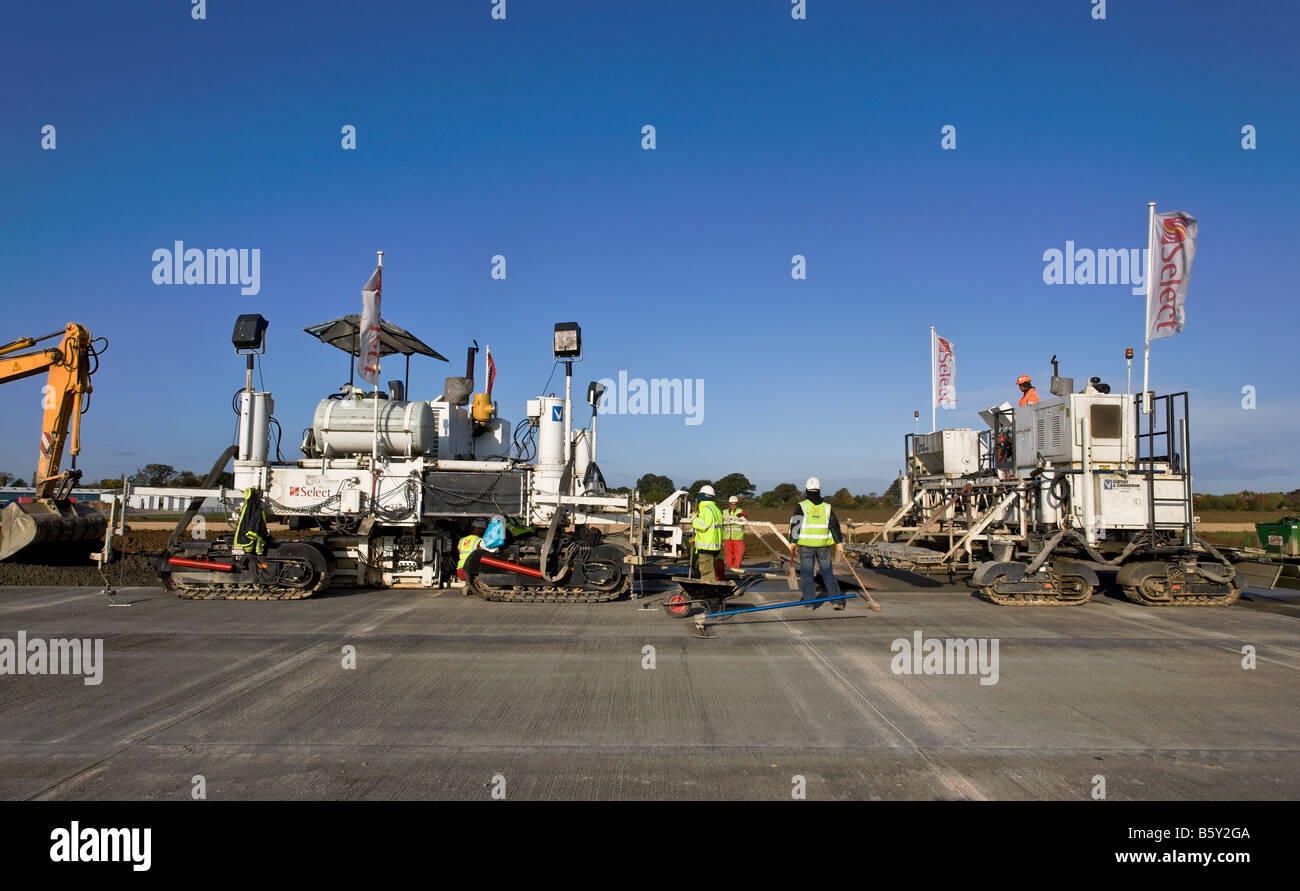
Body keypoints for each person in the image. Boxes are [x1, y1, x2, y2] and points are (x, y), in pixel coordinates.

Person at [788, 477, 846, 610]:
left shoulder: (802, 506)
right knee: (827, 572)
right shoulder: (827, 507)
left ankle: (809, 604)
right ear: (819, 489)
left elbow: (796, 525)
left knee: (807, 574)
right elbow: (834, 526)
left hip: (806, 546)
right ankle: (836, 601)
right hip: (823, 546)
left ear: (806, 490)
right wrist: (839, 543)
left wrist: (793, 542)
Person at [690, 485, 725, 582]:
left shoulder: (706, 509)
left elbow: (703, 526)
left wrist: (694, 518)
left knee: (706, 571)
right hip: (714, 546)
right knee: (711, 570)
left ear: (702, 496)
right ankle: (711, 589)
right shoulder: (716, 509)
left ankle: (708, 592)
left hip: (706, 546)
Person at [456, 518, 488, 587]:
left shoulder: (462, 540)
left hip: (460, 570)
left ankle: (469, 585)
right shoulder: (480, 542)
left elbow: (458, 550)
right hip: (471, 572)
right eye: (484, 529)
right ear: (480, 529)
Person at [723, 495, 748, 569]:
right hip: (727, 537)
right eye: (732, 504)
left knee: (739, 554)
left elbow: (745, 515)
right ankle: (730, 569)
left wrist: (742, 515)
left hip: (738, 538)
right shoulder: (724, 512)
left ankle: (735, 568)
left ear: (737, 504)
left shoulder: (740, 511)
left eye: (735, 504)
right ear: (729, 504)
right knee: (728, 555)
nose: (733, 506)